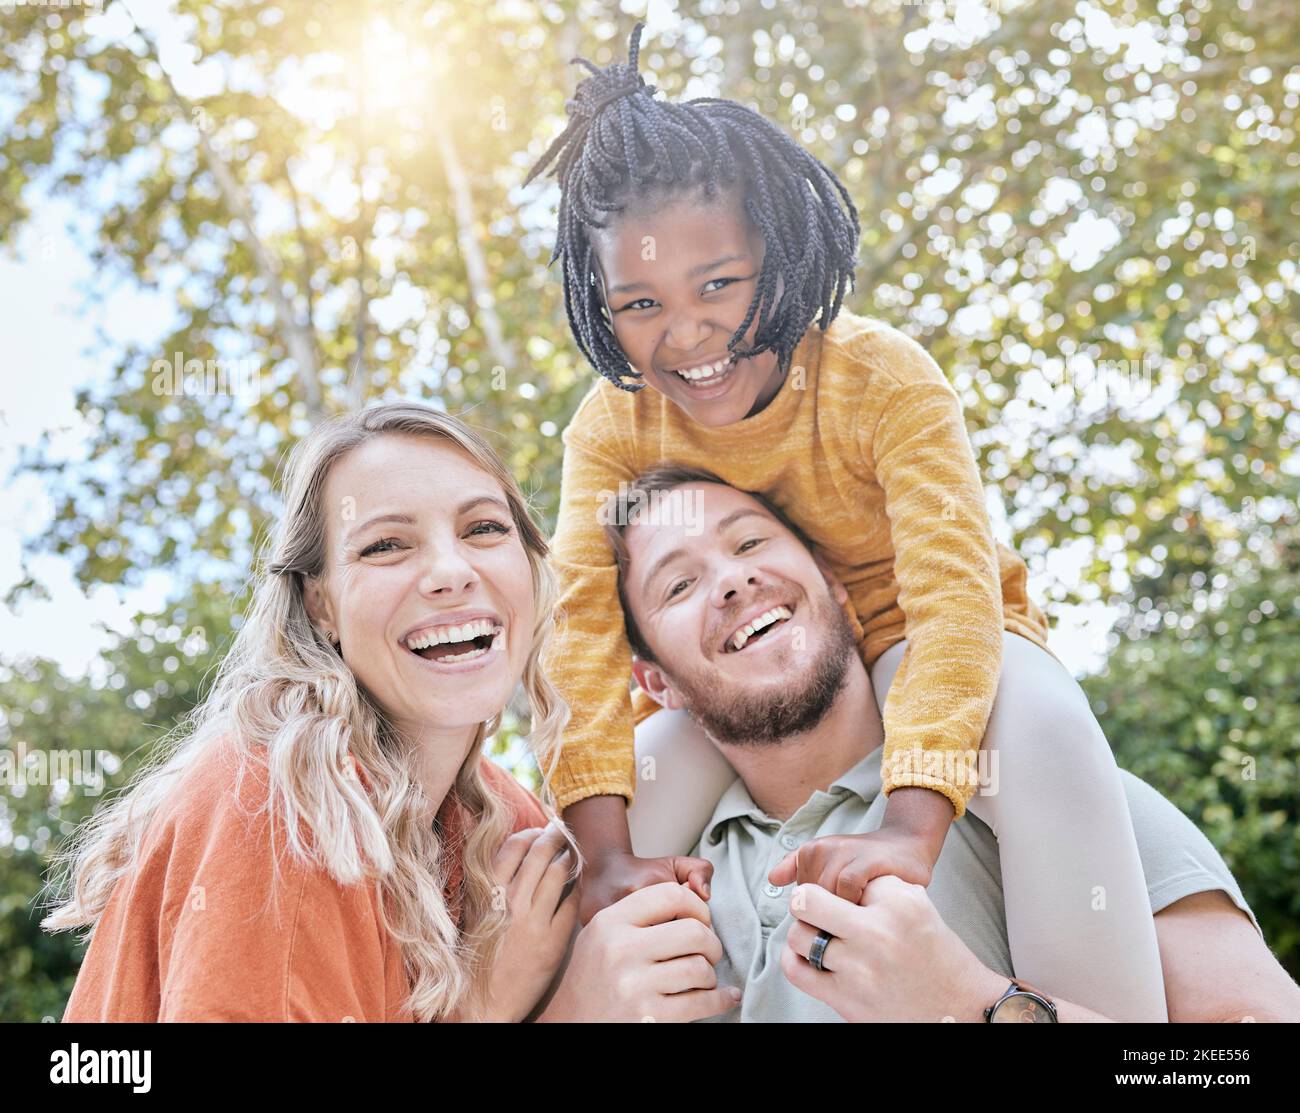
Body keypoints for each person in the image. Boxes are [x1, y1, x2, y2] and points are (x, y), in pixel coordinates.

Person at [523, 22, 1165, 1017]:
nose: (685, 336)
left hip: (916, 637)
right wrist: (606, 858)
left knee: (1034, 723)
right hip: (756, 678)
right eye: (637, 305)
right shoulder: (609, 427)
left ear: (775, 256)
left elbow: (953, 599)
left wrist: (911, 828)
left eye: (718, 287)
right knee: (612, 804)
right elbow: (580, 637)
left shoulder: (883, 377)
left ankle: (1111, 1018)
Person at [46, 402, 735, 1024]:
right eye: (385, 545)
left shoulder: (497, 819)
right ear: (321, 605)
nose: (449, 570)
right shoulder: (278, 804)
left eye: (484, 528)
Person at [604, 464, 1300, 1022]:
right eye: (680, 583)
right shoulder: (662, 892)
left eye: (750, 542)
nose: (732, 579)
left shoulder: (1037, 790)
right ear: (657, 683)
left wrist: (966, 1004)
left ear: (838, 588)